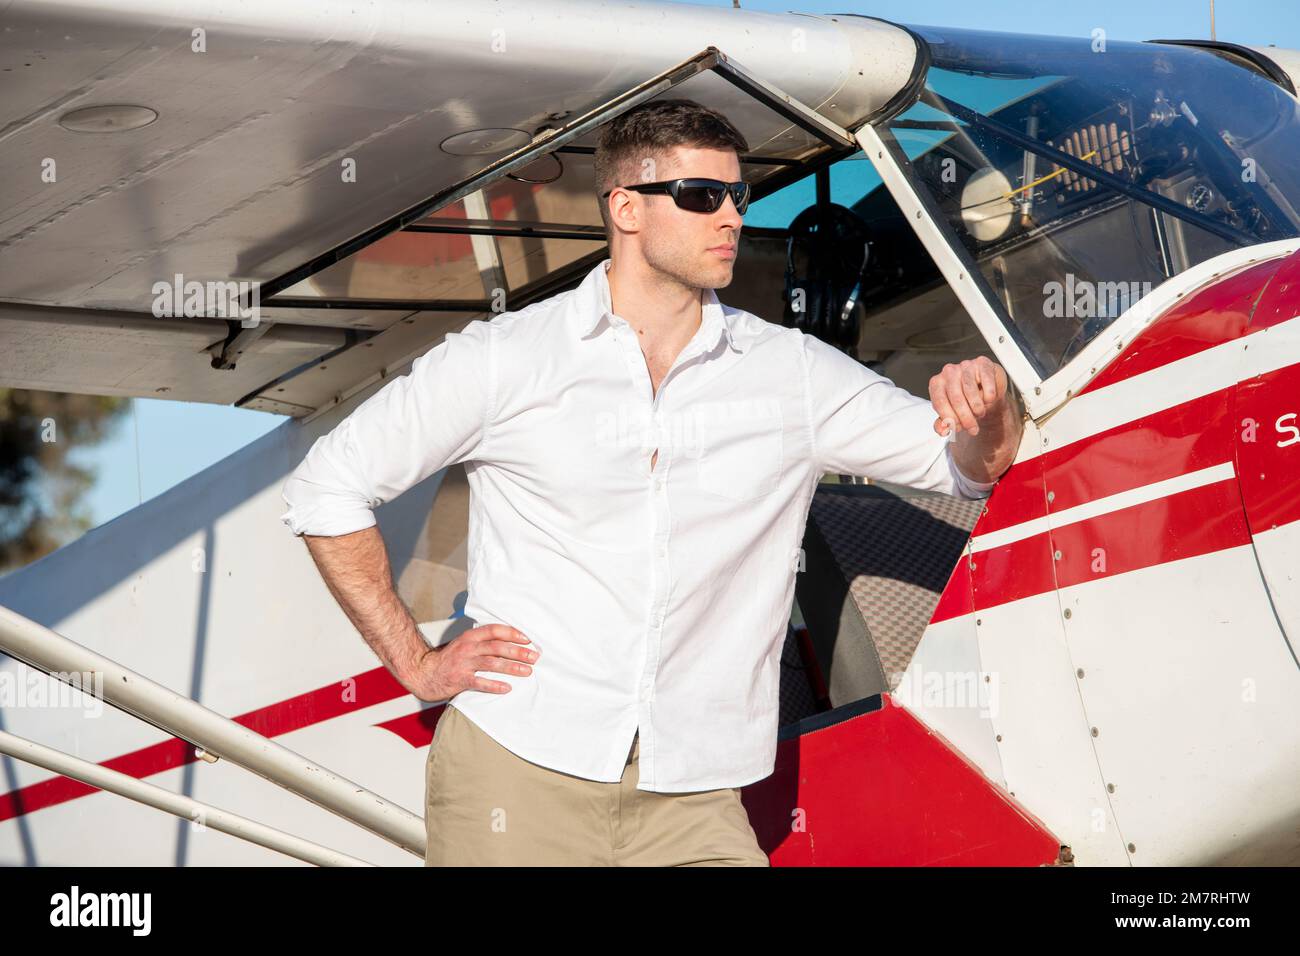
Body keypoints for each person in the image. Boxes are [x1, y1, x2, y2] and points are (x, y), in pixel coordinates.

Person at [280, 98, 1023, 866]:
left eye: (740, 196)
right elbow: (324, 490)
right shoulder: (505, 358)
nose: (731, 217)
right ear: (625, 207)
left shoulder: (791, 374)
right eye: (703, 196)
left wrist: (987, 412)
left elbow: (962, 471)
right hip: (517, 770)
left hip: (697, 799)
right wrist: (417, 665)